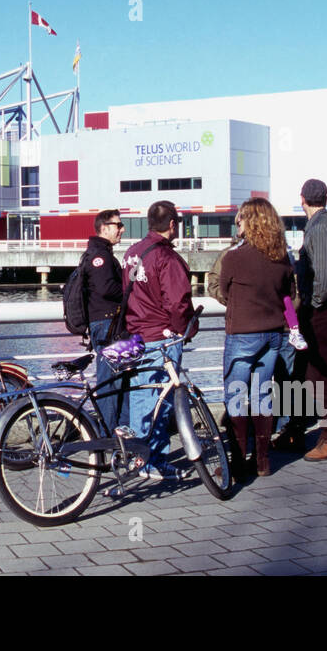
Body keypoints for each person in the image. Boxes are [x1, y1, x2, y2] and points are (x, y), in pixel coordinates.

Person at [218, 198, 293, 478]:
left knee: (236, 395)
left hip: (242, 334)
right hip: (273, 334)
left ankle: (238, 464)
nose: (237, 224)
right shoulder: (281, 256)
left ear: (250, 221)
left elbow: (224, 291)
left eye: (240, 219)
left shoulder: (235, 257)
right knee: (262, 395)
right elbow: (289, 294)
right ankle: (263, 462)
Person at [121, 199, 194, 478]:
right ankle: (155, 461)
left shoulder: (132, 252)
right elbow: (178, 303)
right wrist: (182, 330)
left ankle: (138, 458)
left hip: (136, 336)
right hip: (162, 337)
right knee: (162, 403)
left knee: (141, 398)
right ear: (172, 225)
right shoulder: (167, 258)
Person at [281, 178, 327, 462]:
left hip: (319, 311)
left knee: (318, 373)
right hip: (324, 309)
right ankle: (295, 429)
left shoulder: (319, 229)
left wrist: (312, 304)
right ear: (326, 198)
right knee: (299, 370)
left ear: (302, 199)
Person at [81, 209, 127, 429]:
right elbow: (106, 288)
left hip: (107, 325)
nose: (122, 229)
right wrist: (130, 292)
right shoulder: (101, 255)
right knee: (110, 384)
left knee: (118, 380)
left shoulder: (98, 252)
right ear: (105, 227)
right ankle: (107, 437)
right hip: (108, 325)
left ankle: (118, 435)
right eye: (118, 225)